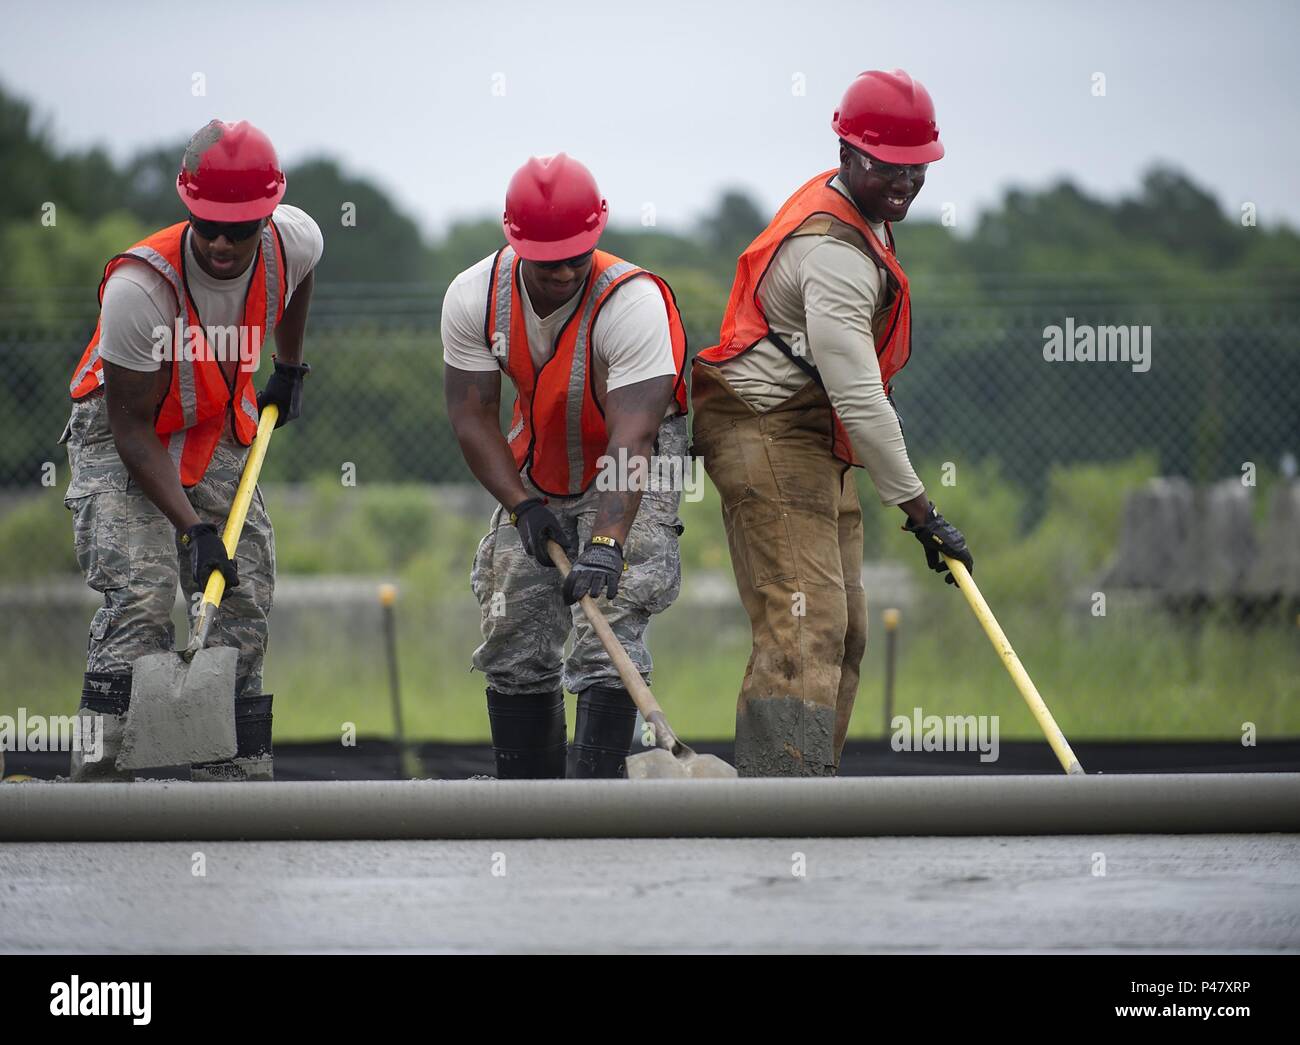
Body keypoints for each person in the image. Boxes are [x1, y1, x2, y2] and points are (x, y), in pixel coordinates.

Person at [691, 69, 974, 777]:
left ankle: (812, 783)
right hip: (766, 428)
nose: (904, 181)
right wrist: (922, 511)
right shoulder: (836, 254)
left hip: (815, 439)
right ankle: (777, 796)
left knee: (843, 634)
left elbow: (855, 397)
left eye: (917, 167)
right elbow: (859, 395)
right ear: (848, 153)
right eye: (888, 165)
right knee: (802, 623)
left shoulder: (866, 215)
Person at [63, 119, 323, 781]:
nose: (222, 242)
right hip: (125, 431)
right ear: (188, 207)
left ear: (267, 217)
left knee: (246, 585)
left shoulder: (295, 241)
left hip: (215, 419)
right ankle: (106, 775)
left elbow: (300, 279)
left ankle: (228, 769)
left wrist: (289, 369)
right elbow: (131, 431)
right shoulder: (139, 289)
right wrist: (193, 530)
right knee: (143, 595)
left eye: (241, 229)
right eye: (208, 225)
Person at [441, 153, 688, 779]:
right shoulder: (474, 297)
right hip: (540, 454)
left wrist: (605, 542)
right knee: (515, 628)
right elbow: (473, 417)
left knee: (615, 612)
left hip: (640, 458)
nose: (566, 271)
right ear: (515, 241)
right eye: (549, 261)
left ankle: (597, 799)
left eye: (579, 256)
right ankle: (531, 804)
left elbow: (633, 436)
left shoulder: (633, 303)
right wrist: (523, 506)